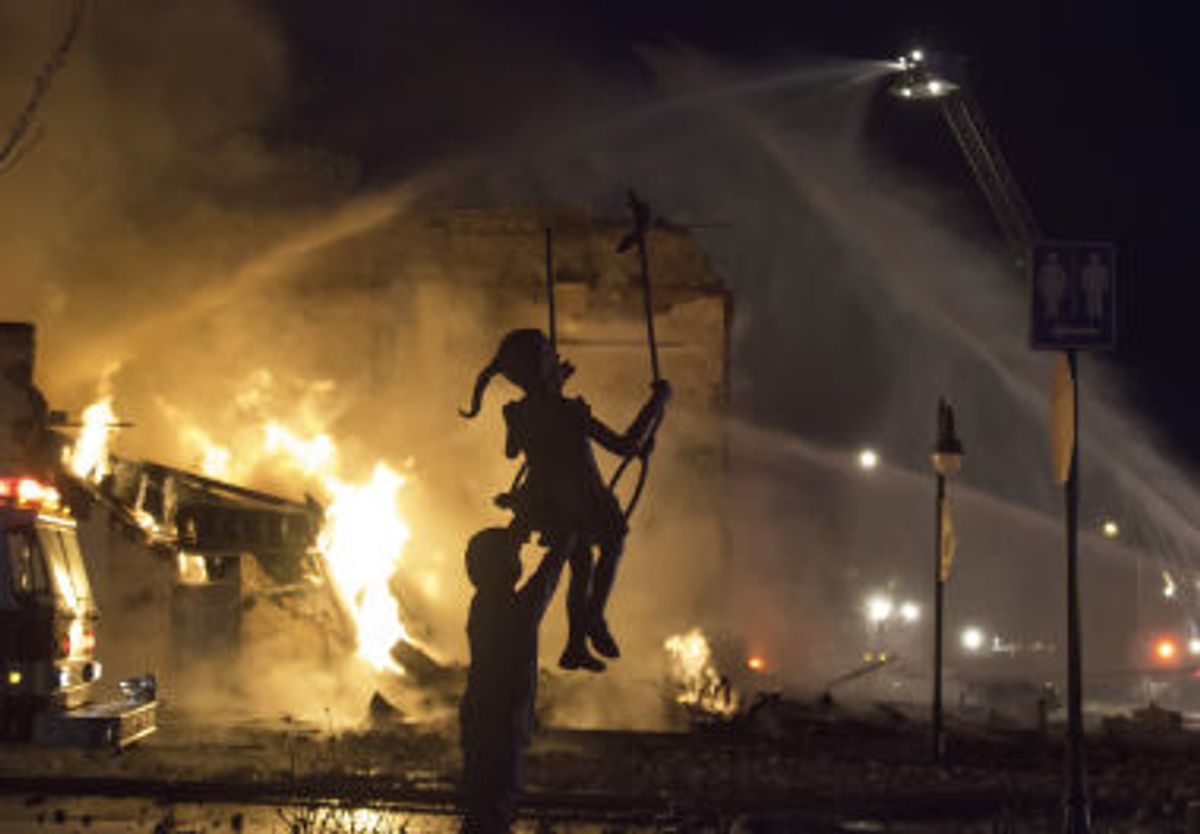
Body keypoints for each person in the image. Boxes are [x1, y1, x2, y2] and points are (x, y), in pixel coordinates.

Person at [460, 328, 670, 672]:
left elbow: (513, 451)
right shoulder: (570, 412)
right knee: (611, 545)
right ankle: (594, 617)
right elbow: (623, 446)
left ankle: (575, 645)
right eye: (550, 355)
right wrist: (657, 402)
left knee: (581, 565)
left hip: (549, 503)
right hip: (584, 496)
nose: (557, 357)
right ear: (542, 367)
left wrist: (551, 391)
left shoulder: (516, 413)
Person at [459, 526, 566, 834]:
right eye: (512, 556)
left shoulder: (484, 603)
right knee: (494, 808)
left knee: (485, 808)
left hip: (485, 721)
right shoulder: (505, 608)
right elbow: (543, 585)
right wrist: (563, 544)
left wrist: (518, 532)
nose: (518, 561)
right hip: (498, 723)